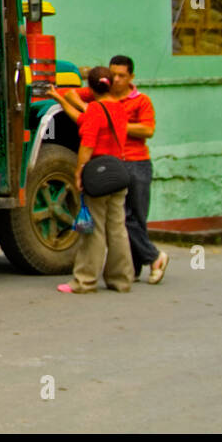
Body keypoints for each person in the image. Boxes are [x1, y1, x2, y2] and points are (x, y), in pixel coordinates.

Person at [53, 54, 168, 284]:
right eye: (113, 74)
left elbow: (147, 130)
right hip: (117, 165)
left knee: (132, 219)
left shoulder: (140, 101)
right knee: (123, 222)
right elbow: (75, 98)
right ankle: (130, 271)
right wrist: (87, 107)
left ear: (131, 77)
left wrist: (107, 121)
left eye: (121, 76)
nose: (116, 79)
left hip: (136, 163)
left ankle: (150, 259)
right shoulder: (107, 101)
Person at [57, 67, 132, 294]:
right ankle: (121, 280)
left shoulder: (95, 110)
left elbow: (87, 144)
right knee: (117, 228)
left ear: (90, 88)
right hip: (118, 172)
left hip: (98, 173)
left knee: (93, 230)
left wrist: (80, 172)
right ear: (110, 84)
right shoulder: (120, 108)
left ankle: (85, 280)